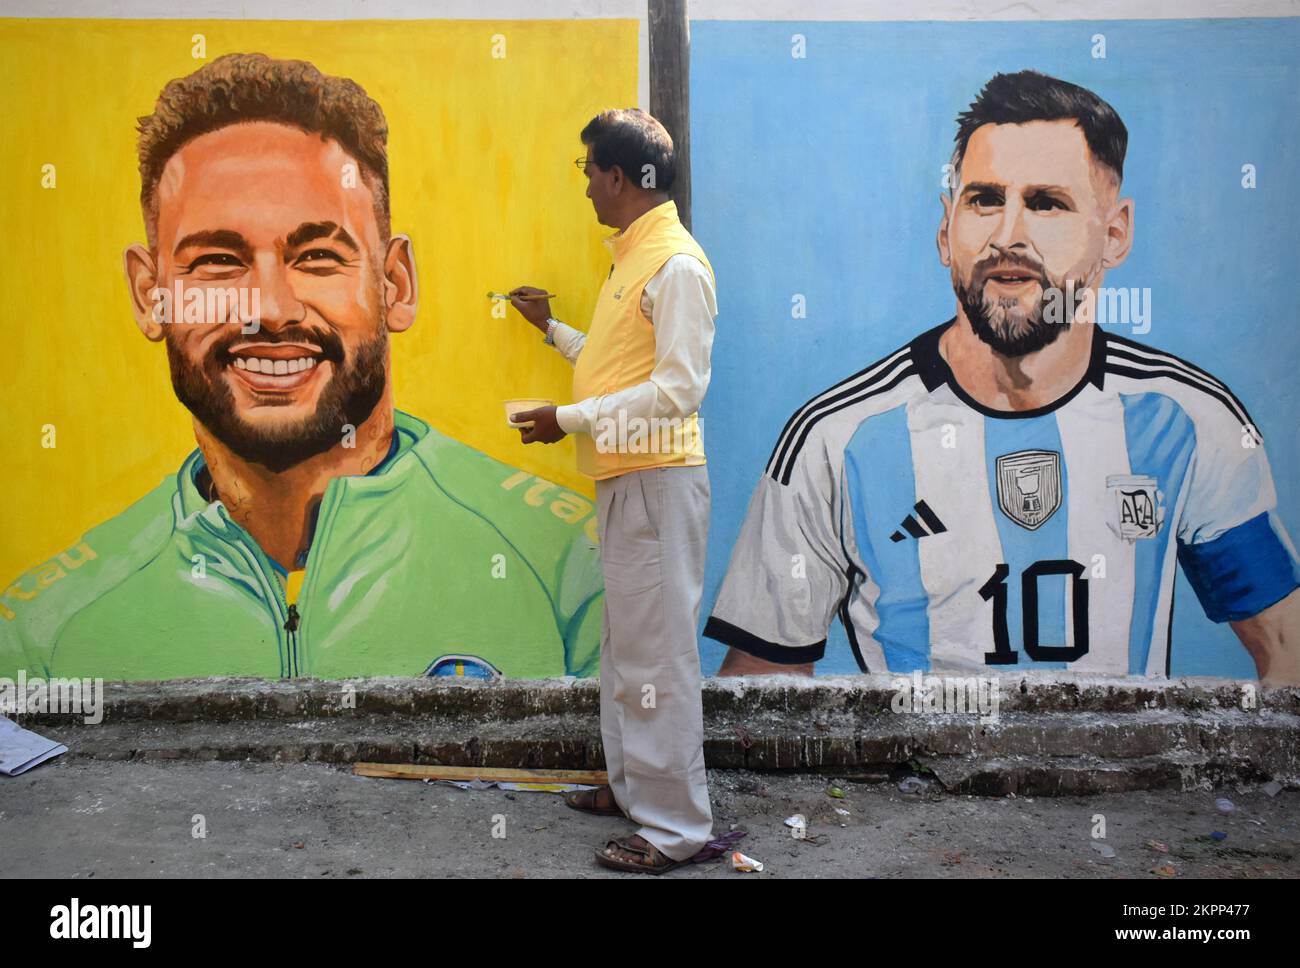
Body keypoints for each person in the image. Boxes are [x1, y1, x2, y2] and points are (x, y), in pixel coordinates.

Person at [0, 53, 603, 682]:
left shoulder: (574, 576)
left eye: (317, 256)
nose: (271, 310)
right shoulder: (41, 640)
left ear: (395, 284)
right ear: (151, 295)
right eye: (217, 261)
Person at [707, 70, 1299, 685]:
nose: (1007, 235)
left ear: (1114, 234)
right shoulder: (836, 439)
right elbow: (761, 688)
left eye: (1046, 203)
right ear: (947, 230)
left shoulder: (1188, 421)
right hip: (916, 754)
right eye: (985, 200)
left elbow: (1288, 644)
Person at [509, 108, 717, 873]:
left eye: (589, 170)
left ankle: (675, 829)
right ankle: (636, 792)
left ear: (620, 177)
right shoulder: (634, 258)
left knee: (658, 658)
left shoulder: (675, 266)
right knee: (630, 651)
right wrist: (551, 329)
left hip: (658, 480)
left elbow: (679, 389)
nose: (587, 185)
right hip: (629, 478)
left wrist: (566, 419)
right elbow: (615, 363)